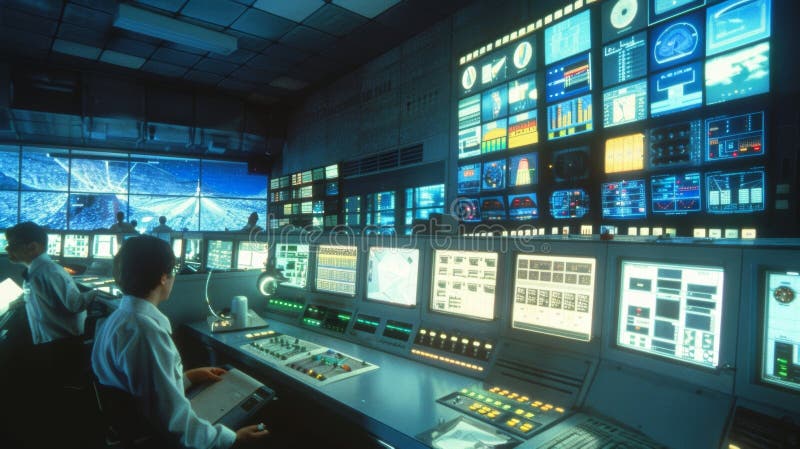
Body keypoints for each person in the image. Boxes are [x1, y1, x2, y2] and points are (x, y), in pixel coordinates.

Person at [92, 236, 268, 449]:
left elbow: (146, 390)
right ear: (164, 278)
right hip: (151, 436)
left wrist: (188, 378)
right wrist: (232, 439)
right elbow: (175, 424)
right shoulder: (146, 332)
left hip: (129, 426)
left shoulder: (118, 319)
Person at [4, 221, 96, 345]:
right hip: (50, 342)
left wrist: (96, 293)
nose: (7, 249)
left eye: (12, 245)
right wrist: (25, 300)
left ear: (32, 247)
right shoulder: (38, 271)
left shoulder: (50, 272)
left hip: (62, 345)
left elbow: (75, 304)